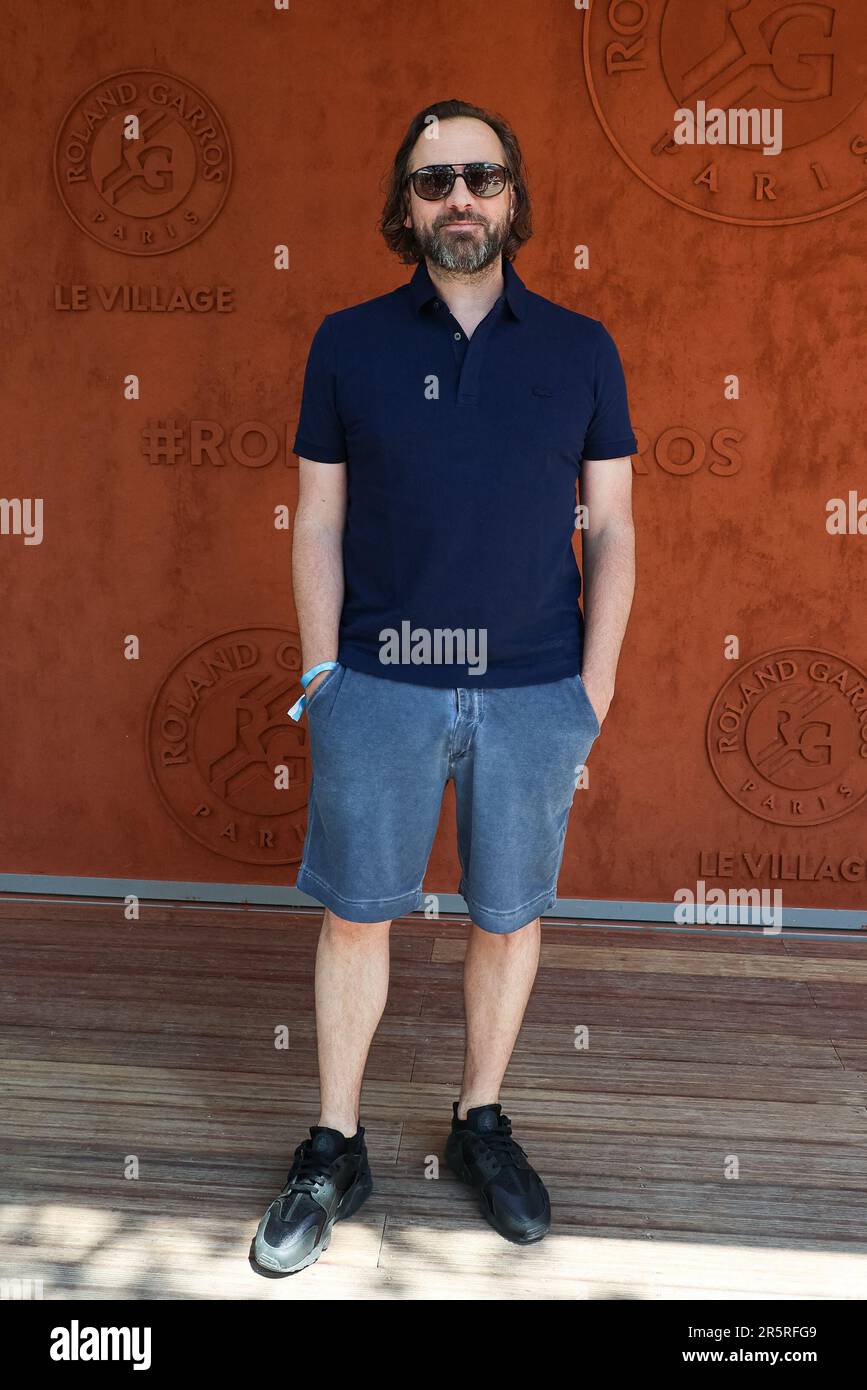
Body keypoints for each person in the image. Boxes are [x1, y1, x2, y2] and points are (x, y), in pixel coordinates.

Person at [253, 98, 637, 1275]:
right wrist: (323, 671)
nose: (458, 198)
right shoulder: (348, 342)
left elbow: (615, 526)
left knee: (508, 916)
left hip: (533, 688)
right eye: (433, 183)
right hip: (378, 679)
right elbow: (317, 518)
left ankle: (479, 1120)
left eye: (479, 176)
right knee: (357, 910)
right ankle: (337, 1141)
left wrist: (595, 687)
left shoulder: (581, 347)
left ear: (512, 195)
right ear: (404, 208)